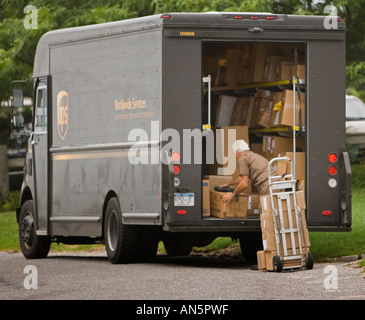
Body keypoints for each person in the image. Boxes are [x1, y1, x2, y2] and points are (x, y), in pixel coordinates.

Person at [221, 139, 272, 204]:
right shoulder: (253, 156)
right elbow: (242, 178)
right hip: (276, 184)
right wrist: (227, 184)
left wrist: (233, 194)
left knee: (266, 212)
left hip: (267, 187)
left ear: (236, 152)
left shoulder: (242, 159)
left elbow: (244, 184)